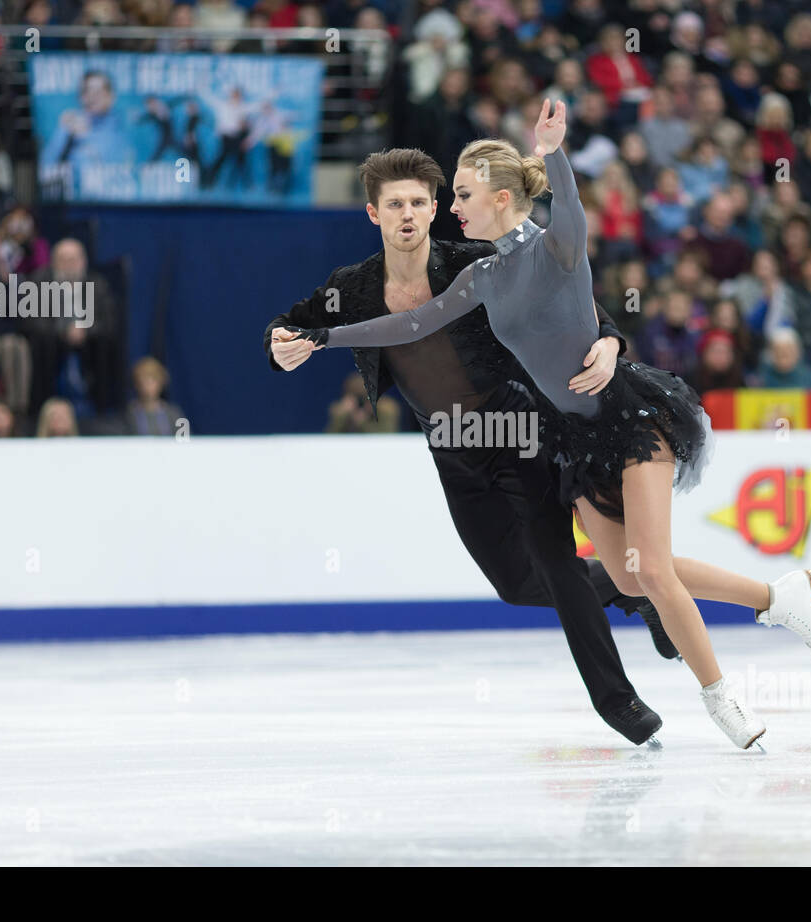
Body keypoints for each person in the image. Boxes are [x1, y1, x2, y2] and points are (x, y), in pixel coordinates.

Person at [281, 102, 811, 750]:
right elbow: (410, 325)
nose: (450, 208)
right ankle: (778, 595)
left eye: (461, 195)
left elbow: (570, 211)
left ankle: (722, 701)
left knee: (652, 572)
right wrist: (323, 336)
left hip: (628, 419)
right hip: (572, 441)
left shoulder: (557, 248)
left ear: (498, 197)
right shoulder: (482, 276)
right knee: (631, 576)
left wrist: (555, 153)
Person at [267, 146, 675, 748]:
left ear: (434, 209)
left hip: (518, 425)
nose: (406, 213)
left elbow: (573, 294)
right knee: (515, 585)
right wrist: (278, 346)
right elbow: (292, 327)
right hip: (451, 445)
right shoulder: (348, 289)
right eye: (393, 205)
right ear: (372, 215)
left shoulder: (477, 260)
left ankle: (620, 705)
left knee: (557, 563)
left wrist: (611, 340)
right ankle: (625, 590)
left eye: (417, 202)